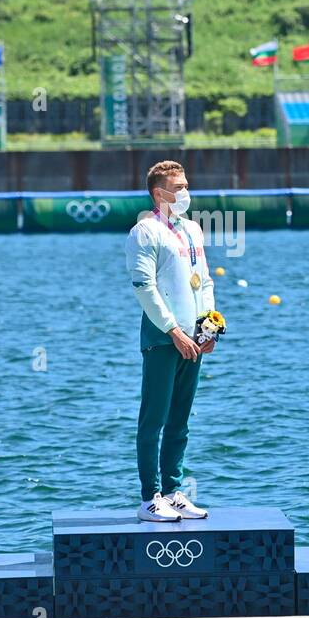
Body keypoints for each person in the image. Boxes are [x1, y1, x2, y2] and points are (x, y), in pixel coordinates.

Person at [125, 161, 216, 522]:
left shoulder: (192, 229)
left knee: (180, 420)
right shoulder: (144, 232)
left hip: (194, 339)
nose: (185, 193)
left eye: (186, 185)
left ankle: (175, 493)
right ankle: (150, 497)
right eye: (177, 187)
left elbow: (203, 281)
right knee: (154, 419)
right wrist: (174, 331)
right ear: (158, 193)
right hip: (163, 339)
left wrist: (208, 327)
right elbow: (144, 288)